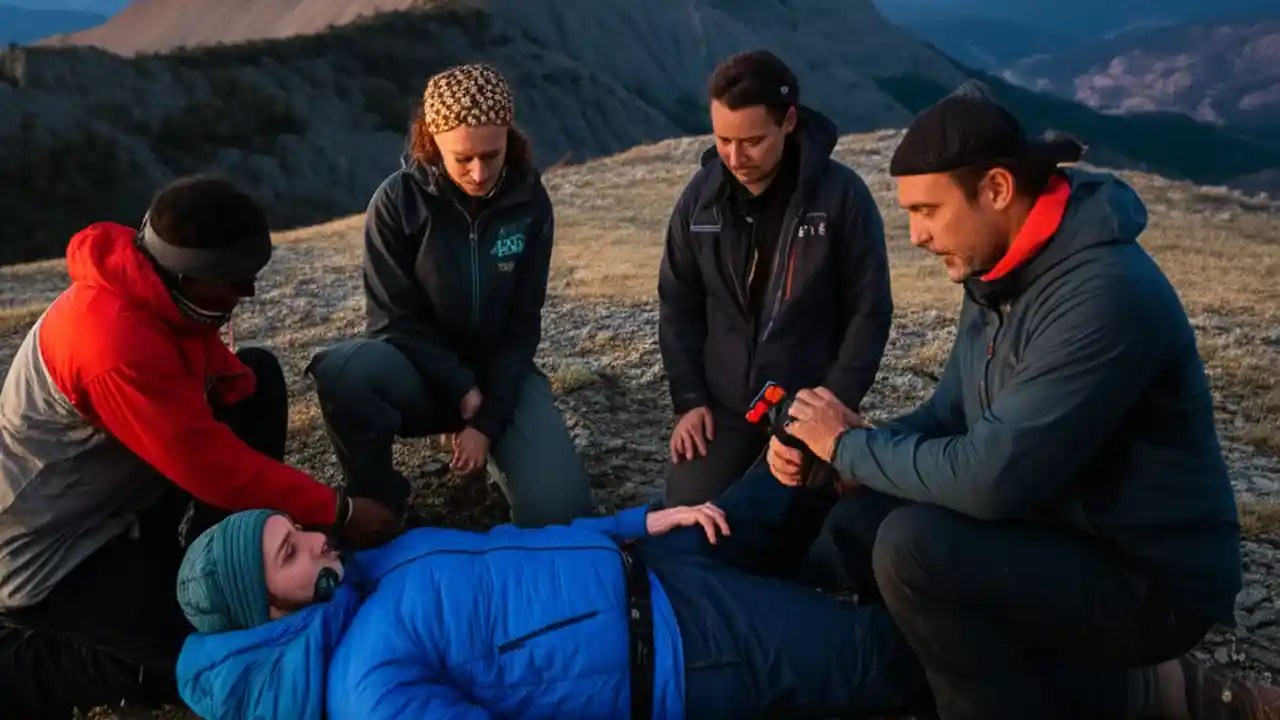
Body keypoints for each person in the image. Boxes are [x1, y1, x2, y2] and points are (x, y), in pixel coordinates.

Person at [776, 81, 1278, 719]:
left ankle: (1093, 692)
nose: (916, 235)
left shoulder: (1103, 294)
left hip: (1147, 580)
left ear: (996, 191)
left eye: (928, 210)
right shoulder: (997, 269)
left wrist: (850, 448)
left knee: (912, 550)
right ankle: (1084, 689)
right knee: (859, 522)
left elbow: (991, 480)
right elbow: (948, 416)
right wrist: (845, 463)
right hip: (1059, 528)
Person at [0, 176, 401, 718]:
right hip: (53, 554)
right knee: (202, 652)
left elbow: (197, 366)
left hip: (118, 491)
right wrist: (339, 510)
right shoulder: (113, 345)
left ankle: (210, 558)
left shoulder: (151, 286)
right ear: (185, 274)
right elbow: (214, 470)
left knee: (254, 376)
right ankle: (21, 667)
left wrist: (225, 377)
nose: (247, 296)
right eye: (235, 284)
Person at [172, 472, 934, 720]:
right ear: (268, 613)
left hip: (656, 562)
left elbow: (517, 550)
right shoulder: (368, 691)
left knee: (799, 470)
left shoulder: (371, 574)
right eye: (289, 555)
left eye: (295, 531)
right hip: (684, 653)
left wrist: (639, 521)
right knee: (889, 661)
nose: (315, 540)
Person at [308, 63, 593, 528]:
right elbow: (392, 322)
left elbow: (523, 326)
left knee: (561, 512)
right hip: (418, 372)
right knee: (344, 371)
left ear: (509, 139)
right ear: (431, 143)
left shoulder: (530, 202)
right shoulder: (396, 203)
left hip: (499, 375)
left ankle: (503, 455)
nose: (479, 172)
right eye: (463, 159)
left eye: (492, 155)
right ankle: (378, 504)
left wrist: (486, 420)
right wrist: (460, 385)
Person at [657, 49, 893, 508]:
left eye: (752, 141)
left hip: (808, 408)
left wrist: (834, 406)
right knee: (687, 515)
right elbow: (677, 301)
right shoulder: (699, 200)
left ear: (788, 121)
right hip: (723, 408)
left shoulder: (842, 198)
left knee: (803, 532)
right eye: (723, 140)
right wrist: (689, 399)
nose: (734, 156)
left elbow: (869, 311)